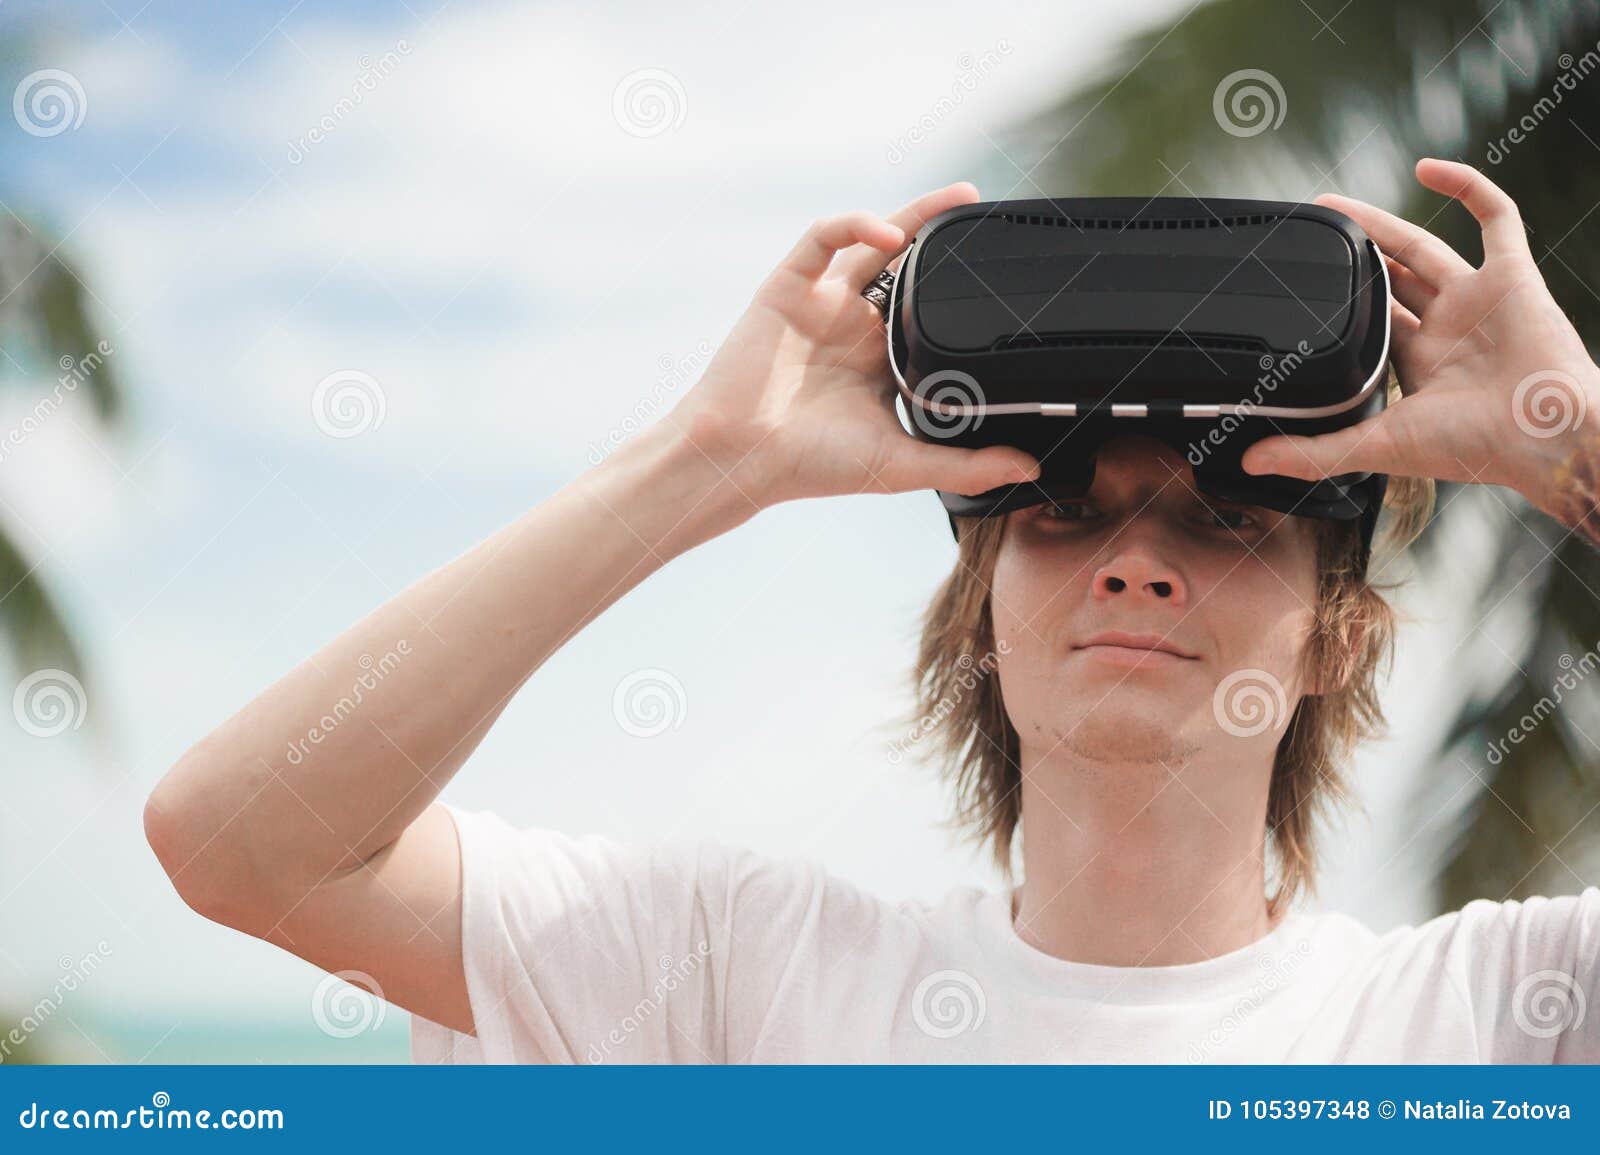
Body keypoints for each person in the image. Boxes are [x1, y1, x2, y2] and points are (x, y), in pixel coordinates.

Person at [145, 158, 1600, 1063]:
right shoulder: (733, 978)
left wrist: (1568, 431)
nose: (1138, 562)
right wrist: (701, 466)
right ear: (979, 614)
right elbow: (241, 843)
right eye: (1063, 510)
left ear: (1336, 635)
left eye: (1226, 519)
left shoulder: (1508, 1015)